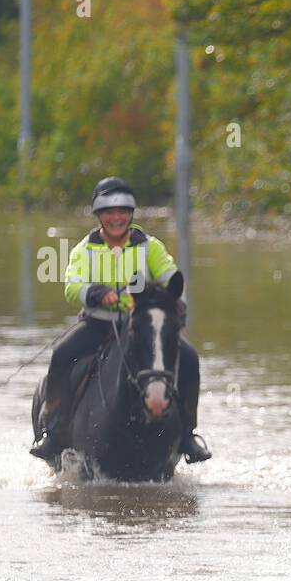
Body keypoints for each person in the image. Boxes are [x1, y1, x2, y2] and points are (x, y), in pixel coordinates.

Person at [29, 177, 210, 464]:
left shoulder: (150, 247)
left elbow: (171, 278)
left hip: (140, 325)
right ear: (99, 215)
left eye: (123, 211)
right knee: (61, 354)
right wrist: (98, 293)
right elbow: (72, 285)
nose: (117, 218)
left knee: (189, 358)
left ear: (131, 214)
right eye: (110, 212)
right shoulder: (84, 250)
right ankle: (54, 432)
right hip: (98, 324)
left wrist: (175, 306)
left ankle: (188, 434)